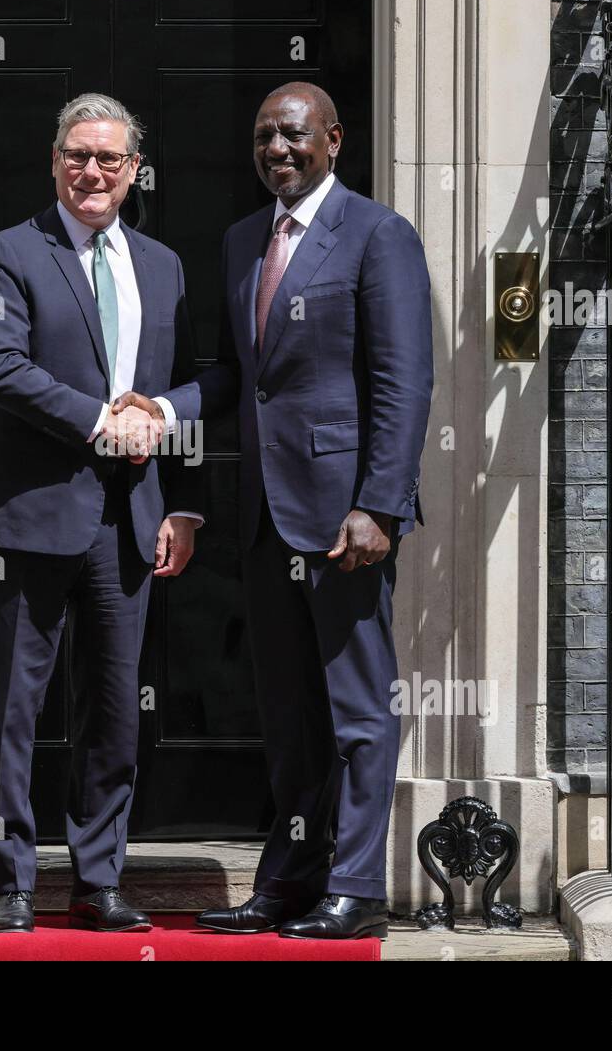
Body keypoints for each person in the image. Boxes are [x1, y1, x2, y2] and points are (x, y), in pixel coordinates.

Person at [114, 81, 433, 940]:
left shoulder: (378, 234)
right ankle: (289, 883)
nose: (277, 151)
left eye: (294, 136)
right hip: (264, 517)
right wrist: (164, 407)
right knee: (290, 717)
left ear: (334, 139)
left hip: (343, 523)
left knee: (358, 713)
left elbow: (404, 383)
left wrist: (379, 504)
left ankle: (358, 890)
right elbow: (236, 375)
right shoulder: (243, 240)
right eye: (263, 137)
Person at [0, 93, 203, 933]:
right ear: (53, 161)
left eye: (109, 158)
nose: (91, 172)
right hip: (26, 518)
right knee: (13, 709)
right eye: (76, 155)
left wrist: (185, 503)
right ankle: (12, 882)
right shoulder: (11, 252)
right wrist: (103, 418)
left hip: (128, 519)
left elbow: (188, 387)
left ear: (134, 170)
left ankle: (98, 880)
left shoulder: (163, 265)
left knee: (111, 708)